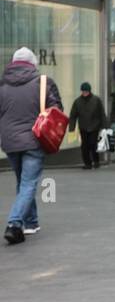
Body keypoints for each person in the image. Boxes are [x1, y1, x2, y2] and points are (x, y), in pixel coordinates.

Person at [0, 47, 61, 244]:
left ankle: (31, 222)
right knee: (28, 183)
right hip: (34, 139)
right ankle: (14, 223)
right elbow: (57, 109)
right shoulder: (43, 82)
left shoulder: (2, 84)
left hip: (9, 141)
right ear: (32, 64)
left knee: (24, 181)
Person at [67, 81, 106, 170]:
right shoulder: (77, 102)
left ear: (89, 91)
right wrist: (71, 128)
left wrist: (104, 126)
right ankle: (87, 163)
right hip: (83, 127)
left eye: (86, 91)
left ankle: (96, 161)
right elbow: (73, 116)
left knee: (93, 144)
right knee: (84, 146)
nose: (85, 93)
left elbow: (102, 114)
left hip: (94, 126)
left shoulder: (96, 100)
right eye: (83, 91)